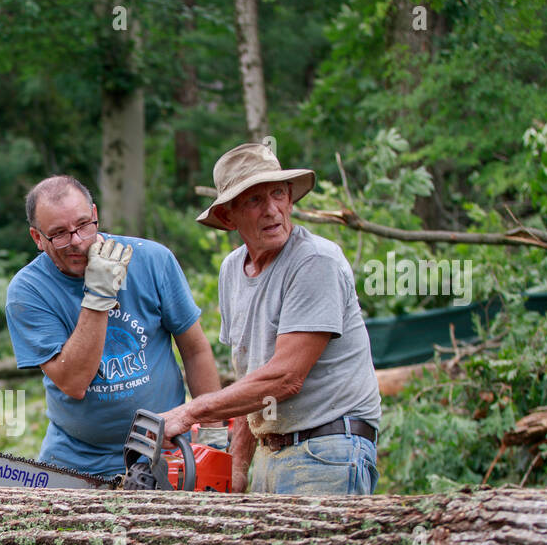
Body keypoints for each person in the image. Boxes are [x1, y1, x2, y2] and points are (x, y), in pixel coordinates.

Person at [159, 142, 381, 495]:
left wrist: (191, 412)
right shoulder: (232, 270)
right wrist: (237, 467)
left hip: (327, 449)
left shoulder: (315, 262)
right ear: (229, 217)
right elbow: (254, 378)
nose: (271, 210)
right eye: (253, 200)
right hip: (271, 449)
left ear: (290, 198)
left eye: (277, 194)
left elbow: (285, 378)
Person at [4, 175, 226, 478]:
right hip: (77, 458)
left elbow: (195, 349)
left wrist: (213, 434)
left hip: (164, 448)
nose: (78, 242)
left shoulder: (152, 260)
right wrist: (98, 296)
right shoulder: (28, 291)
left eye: (83, 225)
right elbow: (74, 381)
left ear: (95, 214)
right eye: (59, 234)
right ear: (37, 238)